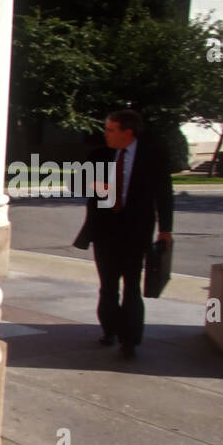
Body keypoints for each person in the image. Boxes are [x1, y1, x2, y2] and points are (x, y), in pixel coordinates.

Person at [72, 109, 173, 358]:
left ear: (127, 132)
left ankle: (131, 340)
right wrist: (96, 184)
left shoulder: (152, 156)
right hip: (104, 231)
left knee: (131, 287)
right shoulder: (100, 155)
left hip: (136, 232)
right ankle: (109, 330)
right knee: (107, 286)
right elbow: (75, 183)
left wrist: (165, 230)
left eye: (110, 129)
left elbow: (164, 195)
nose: (105, 134)